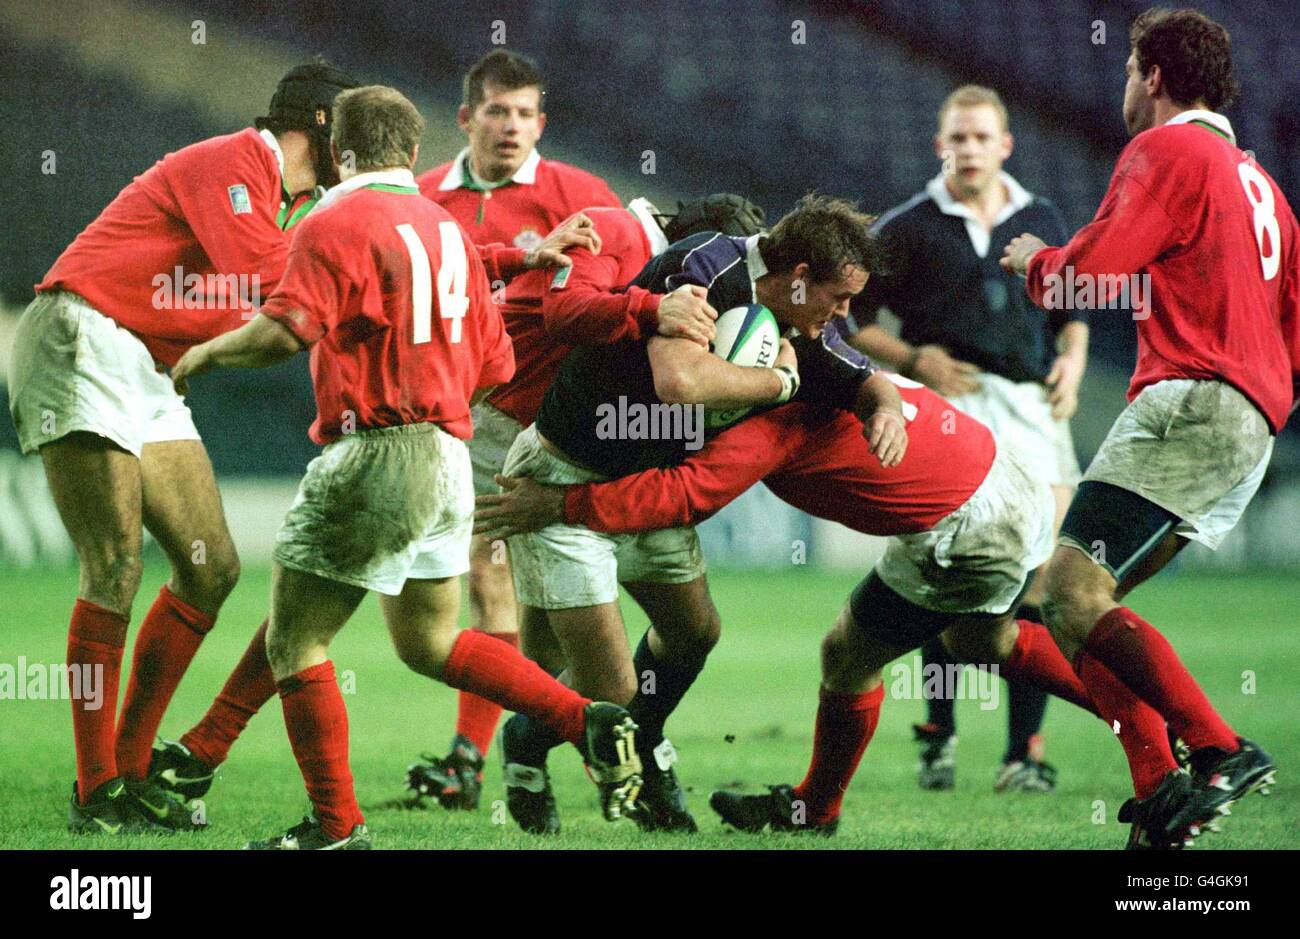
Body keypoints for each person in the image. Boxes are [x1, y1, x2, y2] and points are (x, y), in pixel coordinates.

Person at [169, 86, 641, 849]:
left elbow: (285, 331)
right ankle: (586, 717)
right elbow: (497, 363)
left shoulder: (334, 219)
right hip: (450, 456)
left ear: (337, 153)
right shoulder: (447, 229)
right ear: (413, 154)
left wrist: (206, 351)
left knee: (296, 639)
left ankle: (333, 823)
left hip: (375, 450)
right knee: (430, 645)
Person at [476, 353, 1120, 838]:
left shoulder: (768, 420)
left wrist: (562, 502)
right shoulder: (813, 348)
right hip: (990, 482)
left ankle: (1150, 729)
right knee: (979, 642)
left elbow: (688, 495)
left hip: (970, 521)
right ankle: (1150, 724)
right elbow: (864, 369)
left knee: (850, 656)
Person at [7, 61, 359, 834]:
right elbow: (263, 280)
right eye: (353, 128)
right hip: (81, 331)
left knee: (211, 568)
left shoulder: (295, 201)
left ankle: (131, 771)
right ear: (323, 126)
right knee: (117, 563)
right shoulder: (237, 161)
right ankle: (96, 785)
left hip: (145, 361)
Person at [495, 196, 909, 834]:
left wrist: (883, 408)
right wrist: (780, 385)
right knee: (615, 689)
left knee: (694, 633)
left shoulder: (795, 322)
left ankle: (535, 733)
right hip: (561, 478)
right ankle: (634, 767)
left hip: (643, 487)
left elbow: (861, 373)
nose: (844, 311)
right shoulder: (702, 269)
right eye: (839, 295)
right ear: (798, 275)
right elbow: (681, 385)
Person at [1001, 7, 1295, 847]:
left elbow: (1090, 272)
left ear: (1155, 75)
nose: (1125, 83)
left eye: (1131, 68)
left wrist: (1036, 265)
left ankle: (1218, 747)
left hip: (1192, 399)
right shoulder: (1262, 185)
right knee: (1082, 605)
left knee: (1061, 593)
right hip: (1251, 417)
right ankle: (1160, 790)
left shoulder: (1169, 150)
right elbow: (1296, 333)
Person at [402, 194, 768, 808]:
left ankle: (540, 749)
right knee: (535, 637)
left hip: (587, 444)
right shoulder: (626, 234)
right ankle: (609, 762)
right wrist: (655, 307)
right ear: (693, 246)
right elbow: (567, 311)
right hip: (503, 422)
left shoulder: (654, 255)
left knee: (607, 640)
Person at [849, 84, 1083, 793]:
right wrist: (912, 359)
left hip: (1032, 409)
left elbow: (1071, 304)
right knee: (948, 570)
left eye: (982, 137)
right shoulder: (908, 225)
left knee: (1037, 573)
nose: (969, 148)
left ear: (1005, 144)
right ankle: (940, 737)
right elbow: (851, 318)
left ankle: (1023, 753)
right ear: (939, 145)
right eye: (958, 138)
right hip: (952, 408)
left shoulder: (1041, 216)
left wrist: (1072, 358)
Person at [411, 50, 624, 804]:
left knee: (523, 599)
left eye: (525, 113)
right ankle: (484, 755)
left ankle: (518, 748)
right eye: (497, 111)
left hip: (540, 427)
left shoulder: (580, 194)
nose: (511, 127)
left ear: (542, 123)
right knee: (481, 577)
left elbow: (624, 272)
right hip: (448, 411)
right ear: (467, 117)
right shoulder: (424, 194)